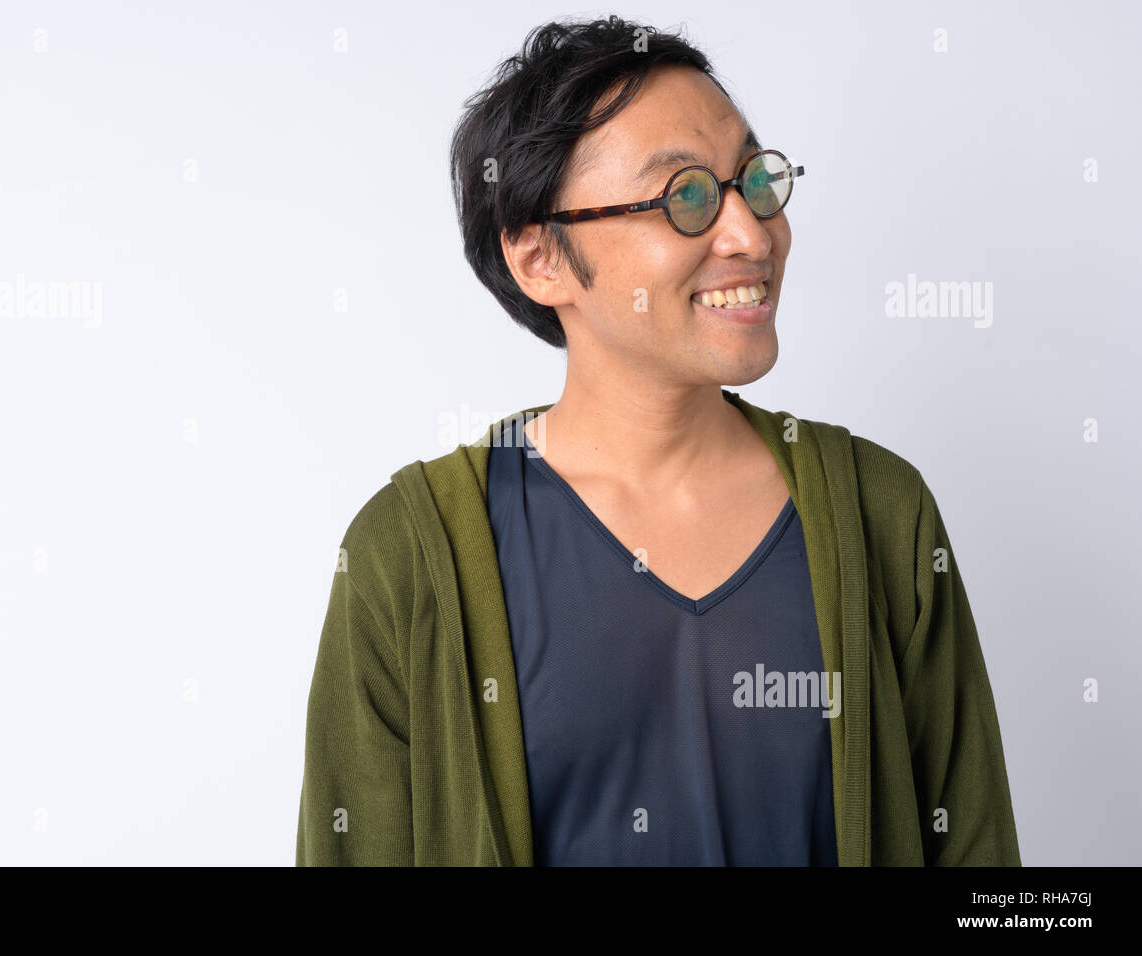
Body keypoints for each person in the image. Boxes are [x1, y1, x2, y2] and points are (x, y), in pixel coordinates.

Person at [295, 15, 1020, 866]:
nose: (752, 234)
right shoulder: (407, 559)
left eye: (752, 178)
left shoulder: (883, 515)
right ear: (539, 259)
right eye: (685, 198)